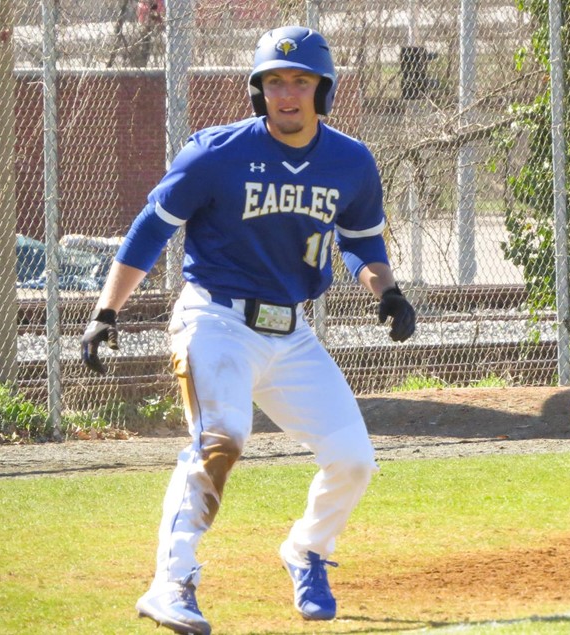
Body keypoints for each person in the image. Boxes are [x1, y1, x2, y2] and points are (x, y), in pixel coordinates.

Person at [81, 25, 416, 635]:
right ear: (259, 91)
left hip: (292, 334)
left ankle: (307, 550)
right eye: (274, 82)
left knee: (353, 459)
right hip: (216, 319)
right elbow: (151, 228)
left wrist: (387, 291)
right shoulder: (216, 153)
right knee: (221, 440)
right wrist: (107, 311)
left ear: (323, 90)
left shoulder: (351, 161)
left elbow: (360, 240)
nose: (288, 93)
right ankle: (171, 583)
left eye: (301, 81)